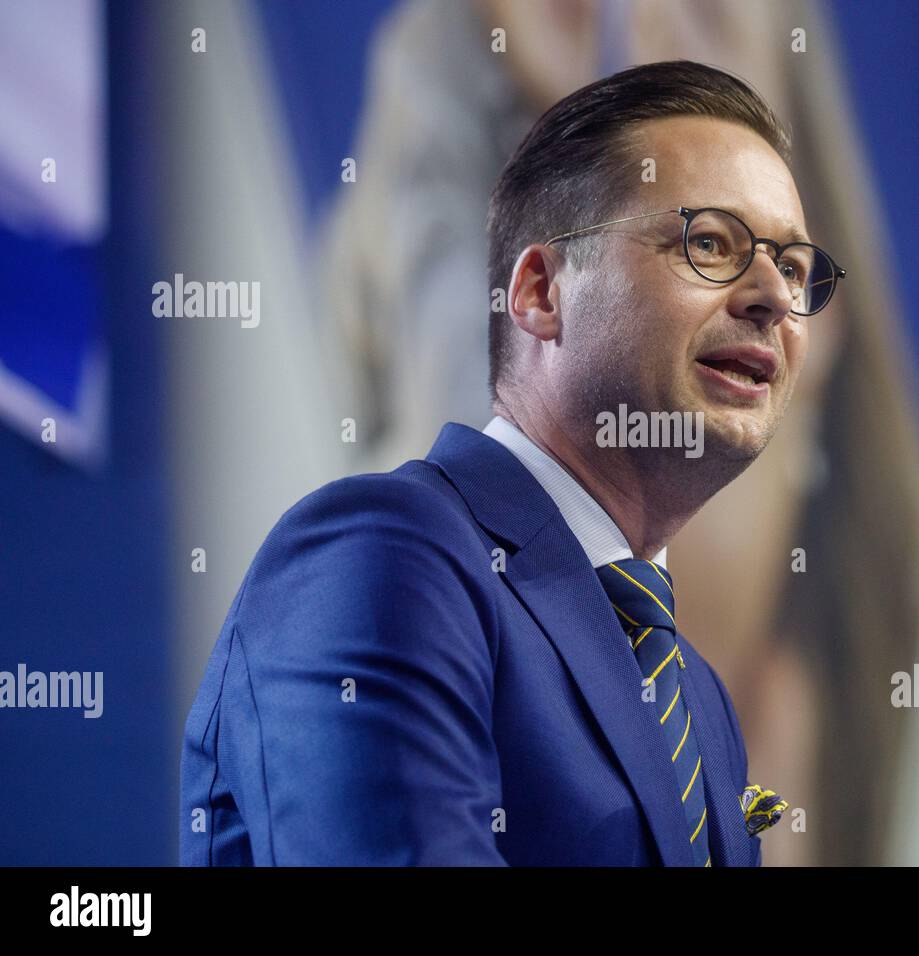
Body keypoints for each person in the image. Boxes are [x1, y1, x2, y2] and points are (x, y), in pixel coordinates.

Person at [179, 59, 845, 866]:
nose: (774, 296)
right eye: (710, 243)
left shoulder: (698, 696)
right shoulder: (385, 552)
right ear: (539, 292)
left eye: (796, 268)